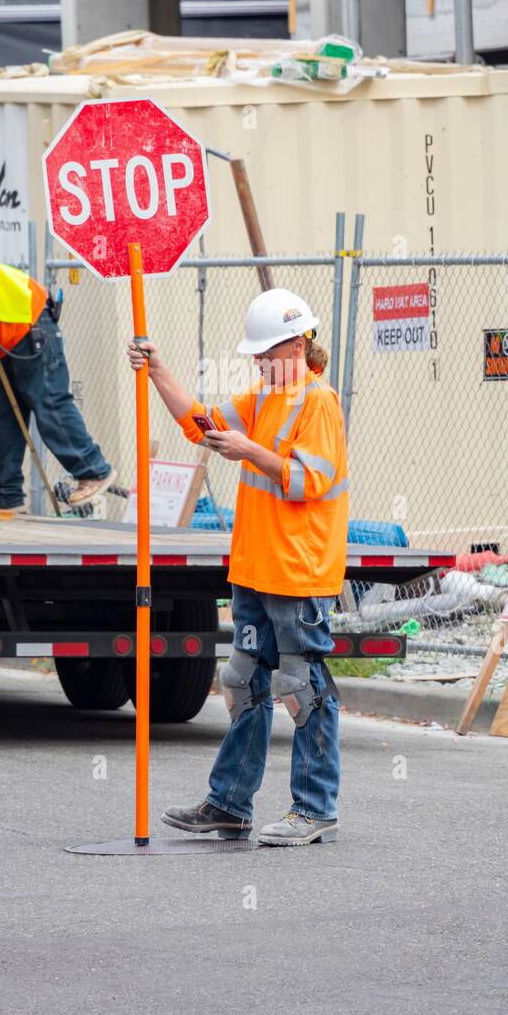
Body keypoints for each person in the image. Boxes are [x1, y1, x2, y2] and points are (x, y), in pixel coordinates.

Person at [127, 287, 349, 847]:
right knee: (244, 684)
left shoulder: (317, 402)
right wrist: (159, 372)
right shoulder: (263, 395)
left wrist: (248, 451)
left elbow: (307, 482)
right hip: (255, 567)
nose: (258, 361)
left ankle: (313, 808)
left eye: (266, 352)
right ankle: (229, 803)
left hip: (296, 571)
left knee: (302, 686)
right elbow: (201, 425)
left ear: (297, 344)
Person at [0, 259, 115, 511]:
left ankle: (93, 470)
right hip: (2, 340)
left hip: (29, 322)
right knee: (0, 418)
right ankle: (3, 495)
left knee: (50, 403)